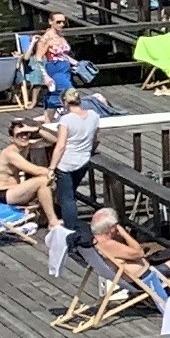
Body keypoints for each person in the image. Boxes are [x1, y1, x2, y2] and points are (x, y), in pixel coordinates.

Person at [47, 84, 104, 250]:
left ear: (65, 103)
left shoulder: (66, 120)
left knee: (67, 199)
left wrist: (51, 167)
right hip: (84, 159)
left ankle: (71, 234)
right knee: (70, 195)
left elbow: (61, 146)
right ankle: (69, 225)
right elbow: (95, 138)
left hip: (66, 163)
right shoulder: (93, 115)